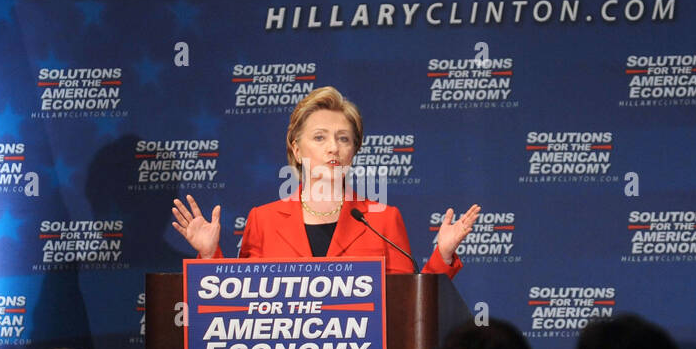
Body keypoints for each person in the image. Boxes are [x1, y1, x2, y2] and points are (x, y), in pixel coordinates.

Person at [171, 86, 479, 275]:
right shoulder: (262, 220)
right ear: (295, 147)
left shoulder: (383, 220)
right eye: (320, 137)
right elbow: (239, 305)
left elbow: (407, 302)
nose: (333, 147)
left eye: (343, 138)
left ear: (354, 150)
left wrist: (443, 255)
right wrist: (210, 255)